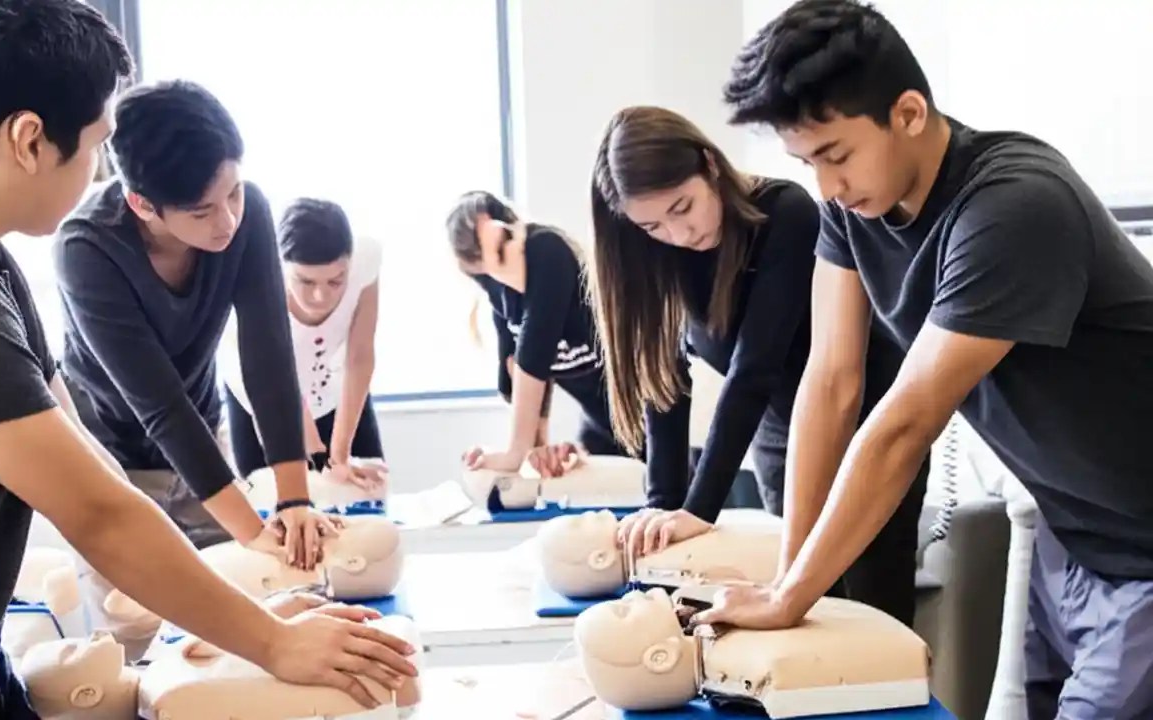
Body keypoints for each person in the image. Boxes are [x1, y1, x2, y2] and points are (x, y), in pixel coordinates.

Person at [0, 1, 414, 718]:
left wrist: (245, 601)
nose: (100, 165)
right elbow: (97, 513)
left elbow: (86, 454)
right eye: (96, 144)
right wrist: (275, 641)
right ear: (29, 140)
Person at [703, 1, 1153, 717]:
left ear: (909, 113)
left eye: (837, 156)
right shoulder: (853, 211)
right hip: (1073, 532)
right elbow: (832, 382)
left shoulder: (1013, 206)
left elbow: (905, 425)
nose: (827, 188)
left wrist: (790, 597)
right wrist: (787, 580)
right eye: (807, 163)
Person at [589, 105, 924, 627]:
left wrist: (699, 509)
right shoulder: (660, 253)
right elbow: (665, 384)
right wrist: (664, 510)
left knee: (871, 606)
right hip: (780, 434)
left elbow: (754, 368)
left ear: (709, 165)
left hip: (866, 423)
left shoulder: (785, 213)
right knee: (800, 604)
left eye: (683, 207)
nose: (678, 233)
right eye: (652, 225)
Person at [53, 80, 331, 655]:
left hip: (202, 443)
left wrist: (294, 501)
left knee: (246, 617)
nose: (227, 221)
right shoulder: (86, 249)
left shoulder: (248, 213)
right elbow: (160, 407)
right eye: (202, 211)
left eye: (233, 193)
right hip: (110, 461)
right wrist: (253, 531)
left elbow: (268, 354)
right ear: (143, 205)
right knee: (137, 638)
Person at [447, 191, 622, 476]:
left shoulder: (546, 249)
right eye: (499, 252)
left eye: (508, 234)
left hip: (654, 417)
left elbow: (535, 351)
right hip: (602, 431)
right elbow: (515, 373)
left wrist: (516, 453)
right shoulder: (502, 298)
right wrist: (537, 450)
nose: (515, 247)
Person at [222, 198, 387, 489]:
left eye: (335, 282)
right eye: (306, 282)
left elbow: (360, 355)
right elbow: (278, 378)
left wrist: (339, 454)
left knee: (364, 484)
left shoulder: (365, 260)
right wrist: (321, 459)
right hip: (263, 390)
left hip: (332, 385)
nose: (321, 296)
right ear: (281, 266)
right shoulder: (258, 280)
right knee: (278, 495)